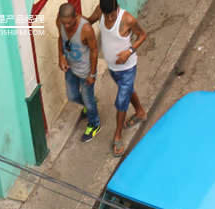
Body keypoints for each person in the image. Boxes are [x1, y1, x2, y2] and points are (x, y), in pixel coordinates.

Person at [88, 0, 148, 157]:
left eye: (113, 15)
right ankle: (140, 113)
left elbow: (142, 35)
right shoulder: (100, 11)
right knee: (127, 90)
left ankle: (118, 136)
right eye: (106, 15)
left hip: (128, 68)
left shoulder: (127, 19)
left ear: (118, 8)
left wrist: (129, 51)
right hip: (113, 68)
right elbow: (88, 22)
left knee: (121, 101)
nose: (109, 19)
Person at [57, 3, 100, 143]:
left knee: (88, 99)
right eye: (64, 24)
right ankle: (91, 105)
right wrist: (61, 56)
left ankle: (94, 124)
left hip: (85, 71)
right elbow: (60, 38)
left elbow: (94, 51)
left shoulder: (86, 28)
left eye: (69, 23)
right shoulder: (60, 22)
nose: (67, 26)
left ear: (75, 16)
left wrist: (92, 74)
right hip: (70, 68)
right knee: (72, 96)